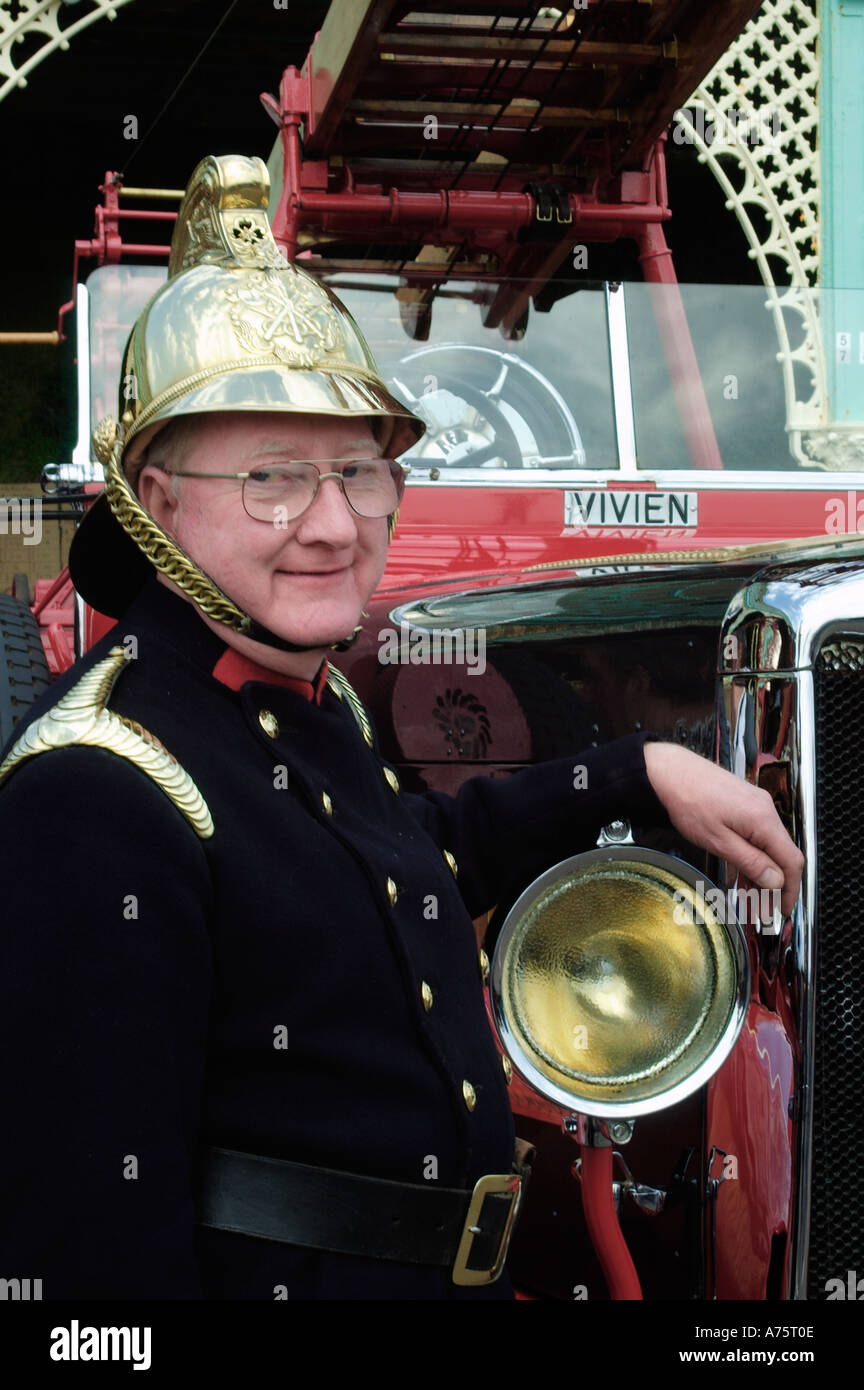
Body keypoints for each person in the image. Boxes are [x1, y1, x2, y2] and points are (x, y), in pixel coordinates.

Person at [0, 155, 803, 1302]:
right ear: (154, 495)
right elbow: (85, 1268)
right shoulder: (99, 786)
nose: (332, 525)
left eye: (360, 472)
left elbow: (384, 869)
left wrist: (638, 770)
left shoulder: (298, 692)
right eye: (273, 478)